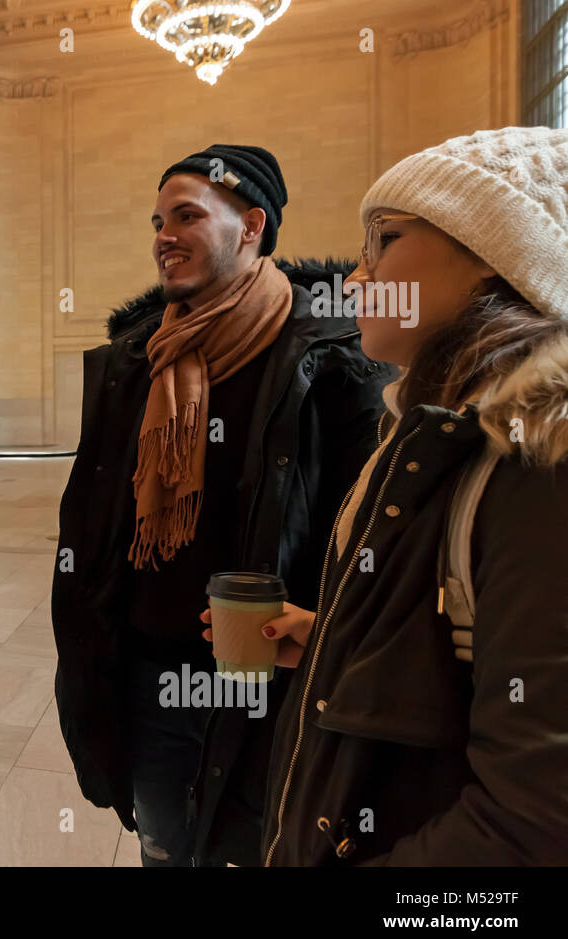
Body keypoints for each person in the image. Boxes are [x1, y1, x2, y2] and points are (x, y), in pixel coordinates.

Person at [214, 127, 568, 865]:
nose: (354, 277)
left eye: (384, 239)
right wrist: (337, 641)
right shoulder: (435, 428)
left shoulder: (538, 458)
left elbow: (532, 826)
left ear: (496, 252)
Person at [52, 144, 395, 867]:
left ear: (251, 225)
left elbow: (364, 540)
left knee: (261, 849)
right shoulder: (136, 362)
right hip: (149, 674)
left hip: (272, 680)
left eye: (187, 216)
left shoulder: (336, 360)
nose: (163, 235)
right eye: (157, 220)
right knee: (166, 851)